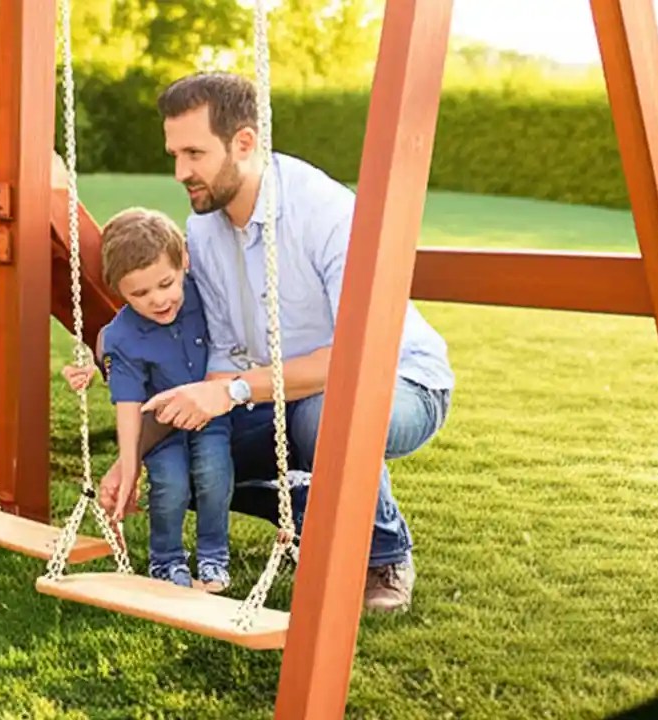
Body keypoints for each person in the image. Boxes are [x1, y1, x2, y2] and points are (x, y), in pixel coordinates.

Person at [99, 72, 455, 614]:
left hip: (399, 382)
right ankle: (308, 507)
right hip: (276, 390)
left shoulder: (327, 214)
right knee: (193, 470)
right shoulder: (203, 232)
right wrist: (134, 456)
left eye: (194, 152)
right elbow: (216, 361)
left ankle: (384, 554)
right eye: (174, 153)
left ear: (244, 142)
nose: (180, 172)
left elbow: (357, 360)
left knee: (319, 416)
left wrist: (237, 391)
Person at [64, 207, 235, 592]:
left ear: (183, 264)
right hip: (162, 428)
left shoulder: (203, 295)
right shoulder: (123, 337)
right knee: (171, 484)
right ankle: (166, 561)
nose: (158, 300)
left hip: (211, 413)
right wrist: (129, 467)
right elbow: (128, 407)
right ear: (119, 292)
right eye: (139, 293)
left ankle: (212, 557)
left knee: (213, 474)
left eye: (165, 284)